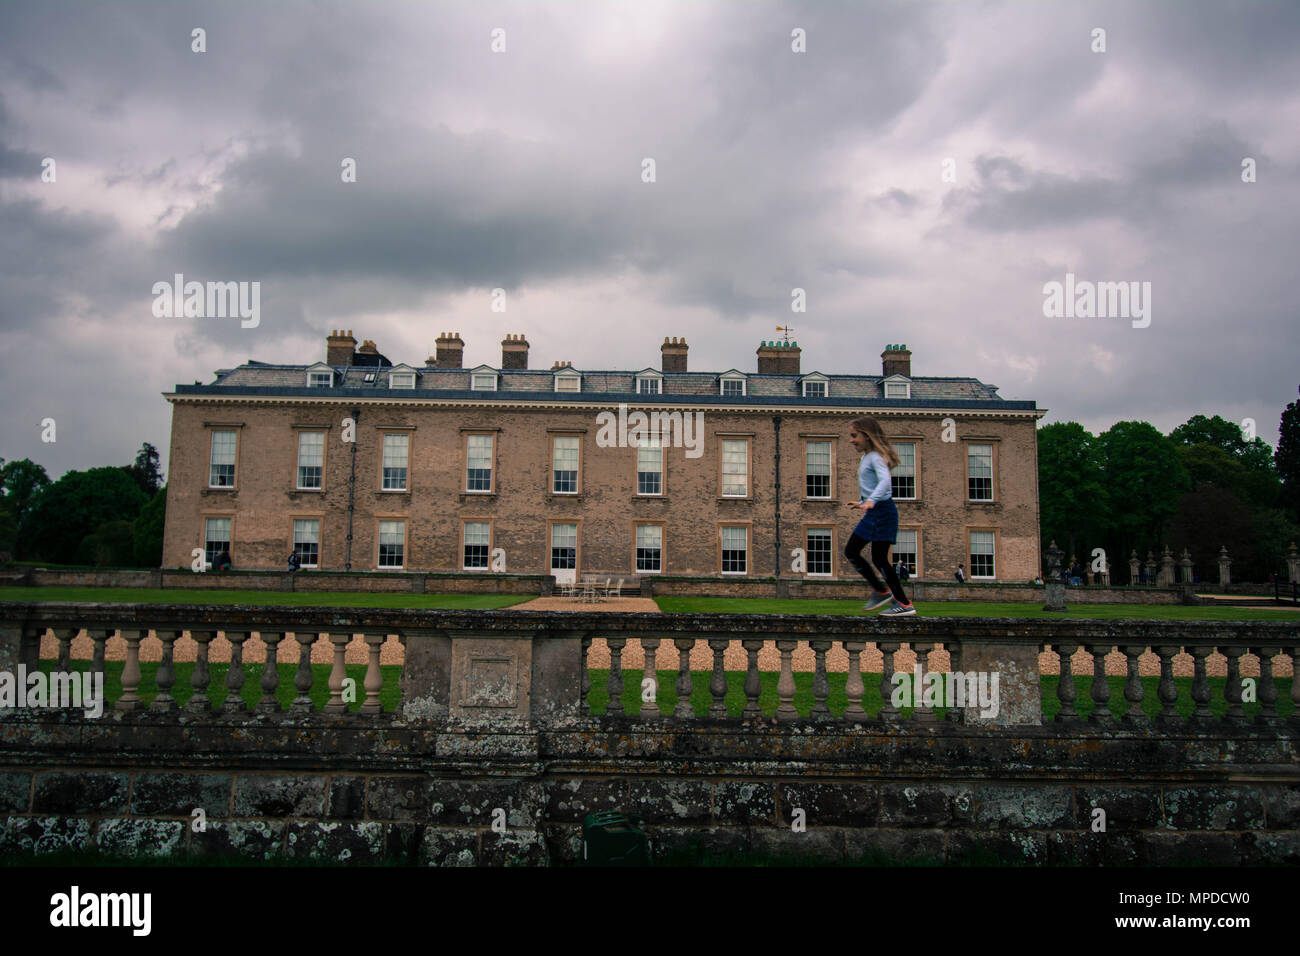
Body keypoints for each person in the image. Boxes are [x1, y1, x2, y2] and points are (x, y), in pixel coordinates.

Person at [844, 416, 914, 616]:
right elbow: (873, 484)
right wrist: (862, 501)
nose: (851, 440)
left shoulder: (875, 456)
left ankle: (902, 602)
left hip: (883, 511)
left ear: (867, 435)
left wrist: (872, 500)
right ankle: (883, 592)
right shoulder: (866, 457)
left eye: (854, 436)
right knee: (857, 552)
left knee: (877, 558)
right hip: (875, 511)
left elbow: (885, 482)